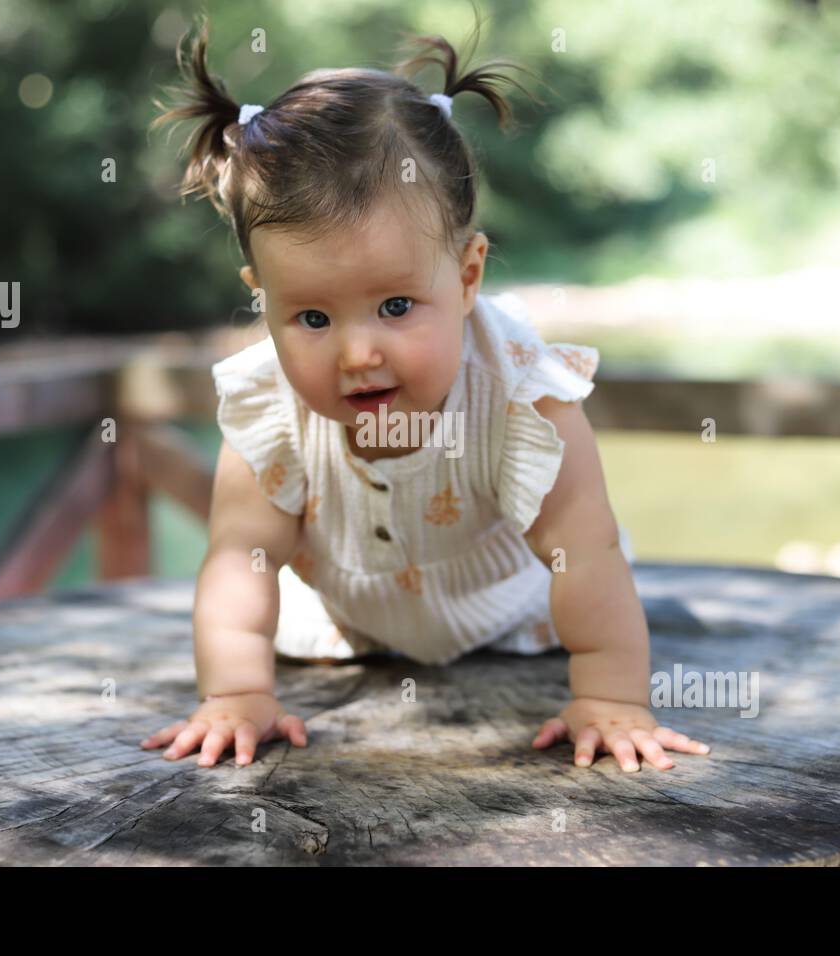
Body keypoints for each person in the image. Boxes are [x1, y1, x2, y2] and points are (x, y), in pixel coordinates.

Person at [141, 13, 710, 772]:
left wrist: (611, 699)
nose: (358, 352)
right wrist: (237, 693)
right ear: (262, 297)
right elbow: (239, 560)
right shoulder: (268, 409)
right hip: (350, 632)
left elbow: (588, 552)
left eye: (397, 307)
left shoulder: (521, 398)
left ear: (468, 276)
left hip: (516, 617)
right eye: (311, 317)